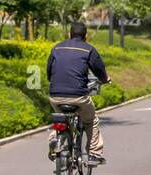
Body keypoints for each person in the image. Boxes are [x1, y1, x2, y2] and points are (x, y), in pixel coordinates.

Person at [47, 21, 110, 162]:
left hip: (55, 95)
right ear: (86, 36)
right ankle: (94, 154)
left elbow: (49, 71)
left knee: (61, 118)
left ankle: (55, 141)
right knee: (91, 120)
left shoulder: (56, 48)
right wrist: (105, 79)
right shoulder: (88, 49)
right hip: (78, 96)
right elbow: (100, 70)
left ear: (69, 34)